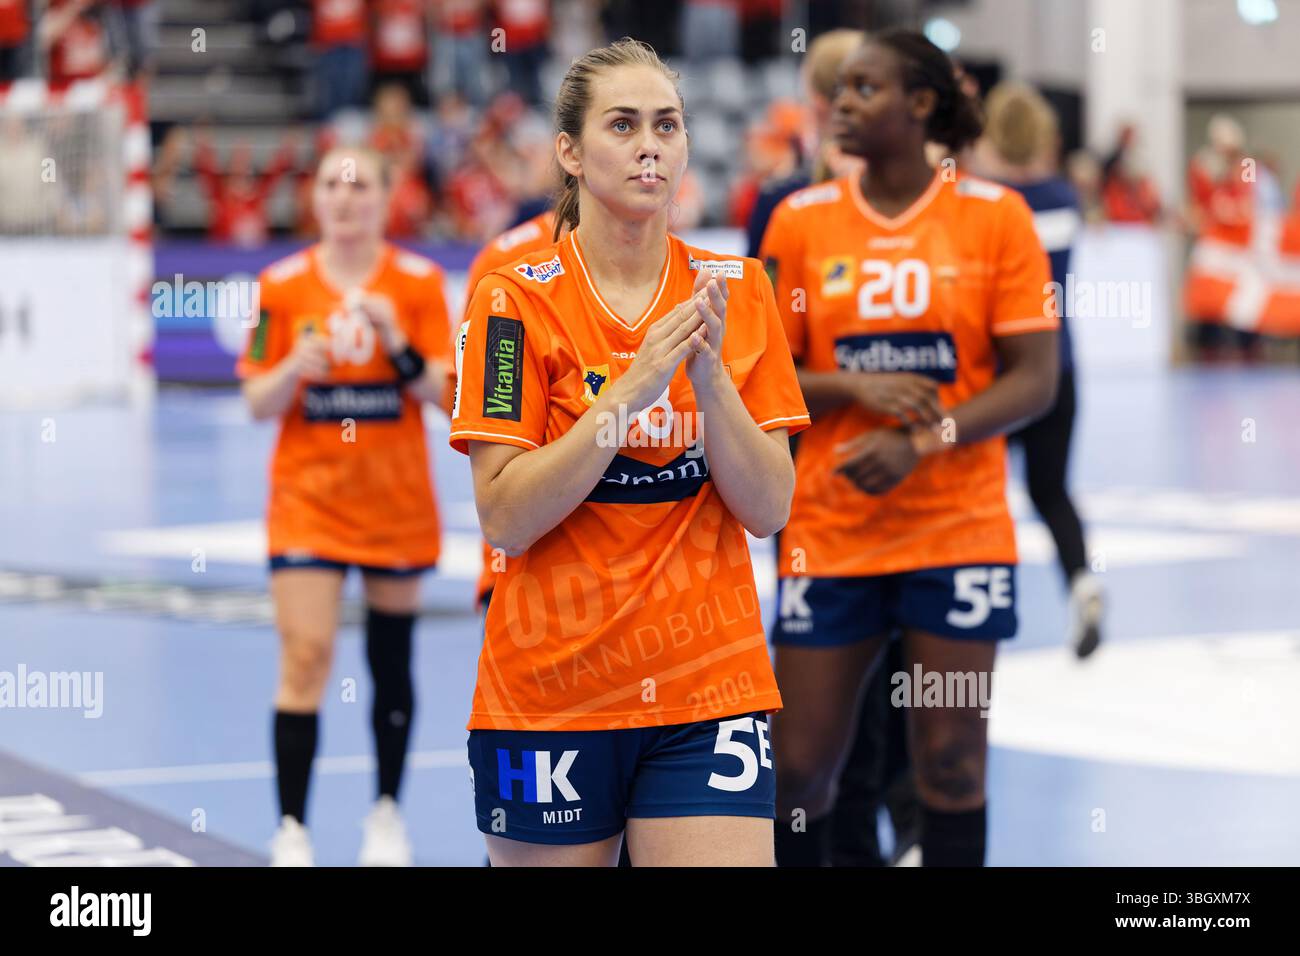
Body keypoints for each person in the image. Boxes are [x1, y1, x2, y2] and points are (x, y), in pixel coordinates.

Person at [449, 38, 810, 866]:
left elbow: (770, 508)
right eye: (622, 124)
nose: (651, 143)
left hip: (707, 685)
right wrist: (624, 398)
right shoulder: (510, 301)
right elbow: (505, 516)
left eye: (667, 125)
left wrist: (709, 379)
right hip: (552, 691)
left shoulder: (739, 289)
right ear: (570, 152)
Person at [761, 29, 1059, 867]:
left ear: (920, 103)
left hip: (956, 532)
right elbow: (766, 374)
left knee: (953, 762)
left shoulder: (996, 217)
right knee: (797, 771)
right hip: (833, 530)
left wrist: (929, 441)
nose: (841, 103)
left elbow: (1035, 379)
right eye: (840, 89)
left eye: (865, 88)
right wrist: (852, 389)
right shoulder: (800, 221)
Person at [237, 145, 454, 866]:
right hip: (308, 502)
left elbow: (449, 391)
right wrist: (292, 370)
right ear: (316, 198)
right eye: (334, 183)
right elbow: (254, 399)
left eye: (362, 185)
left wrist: (395, 346)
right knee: (305, 654)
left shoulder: (419, 283)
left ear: (386, 199)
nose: (347, 196)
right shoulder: (277, 285)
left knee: (391, 662)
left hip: (393, 502)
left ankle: (386, 814)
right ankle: (291, 829)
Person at [974, 81, 1102, 658]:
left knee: (979, 495)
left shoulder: (985, 206)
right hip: (1058, 369)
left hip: (997, 377)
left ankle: (976, 614)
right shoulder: (1064, 199)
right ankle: (1083, 582)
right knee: (1052, 492)